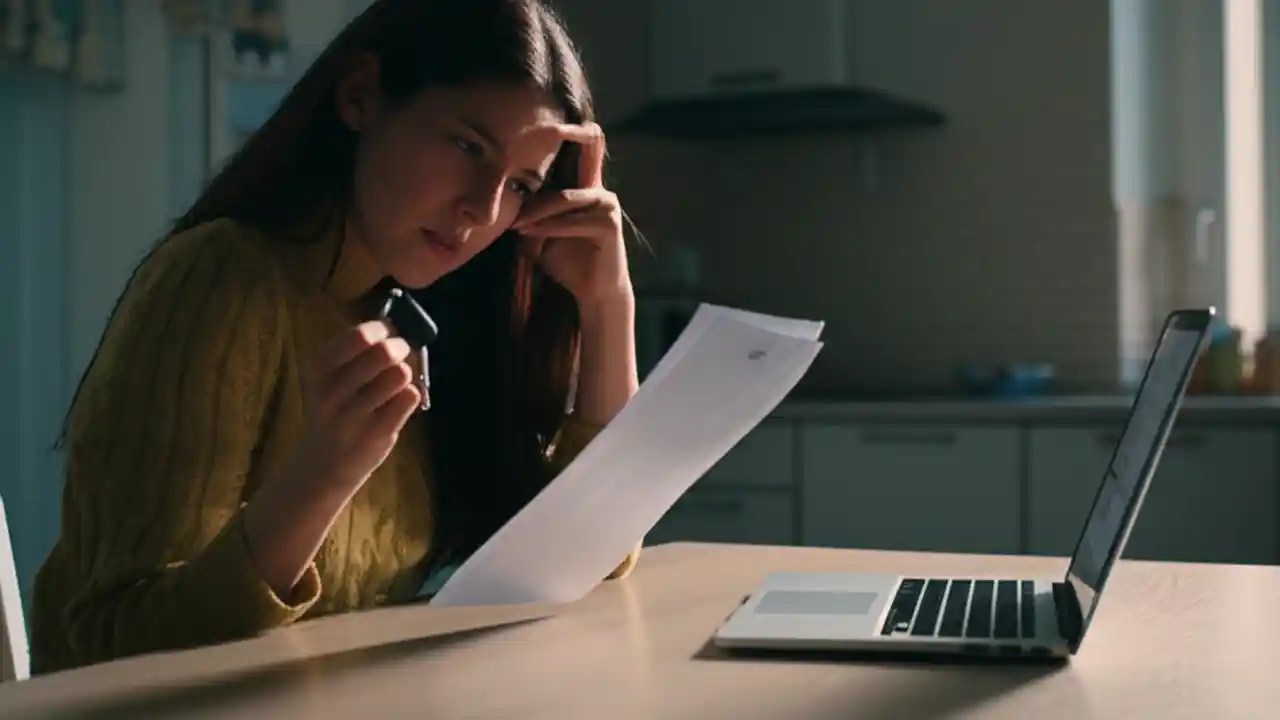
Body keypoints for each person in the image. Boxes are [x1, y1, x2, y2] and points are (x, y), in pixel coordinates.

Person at [31, 0, 641, 674]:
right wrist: (322, 474)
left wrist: (607, 306)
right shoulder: (223, 279)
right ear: (360, 97)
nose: (483, 208)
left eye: (522, 185)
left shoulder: (425, 308)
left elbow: (596, 554)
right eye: (468, 146)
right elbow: (117, 640)